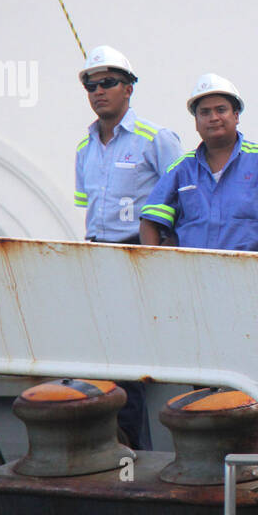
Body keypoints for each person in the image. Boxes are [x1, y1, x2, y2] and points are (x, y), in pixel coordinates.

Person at [74, 45, 181, 450]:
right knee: (102, 351)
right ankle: (111, 442)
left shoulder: (156, 139)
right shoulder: (84, 150)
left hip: (140, 257)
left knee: (127, 354)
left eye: (108, 83)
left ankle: (130, 445)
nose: (98, 91)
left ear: (129, 88)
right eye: (91, 84)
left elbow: (182, 198)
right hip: (99, 258)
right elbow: (90, 214)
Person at [139, 73, 258, 253]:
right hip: (192, 276)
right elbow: (150, 222)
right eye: (204, 112)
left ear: (236, 116)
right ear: (196, 122)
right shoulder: (180, 169)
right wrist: (155, 263)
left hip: (251, 275)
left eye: (221, 110)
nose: (213, 118)